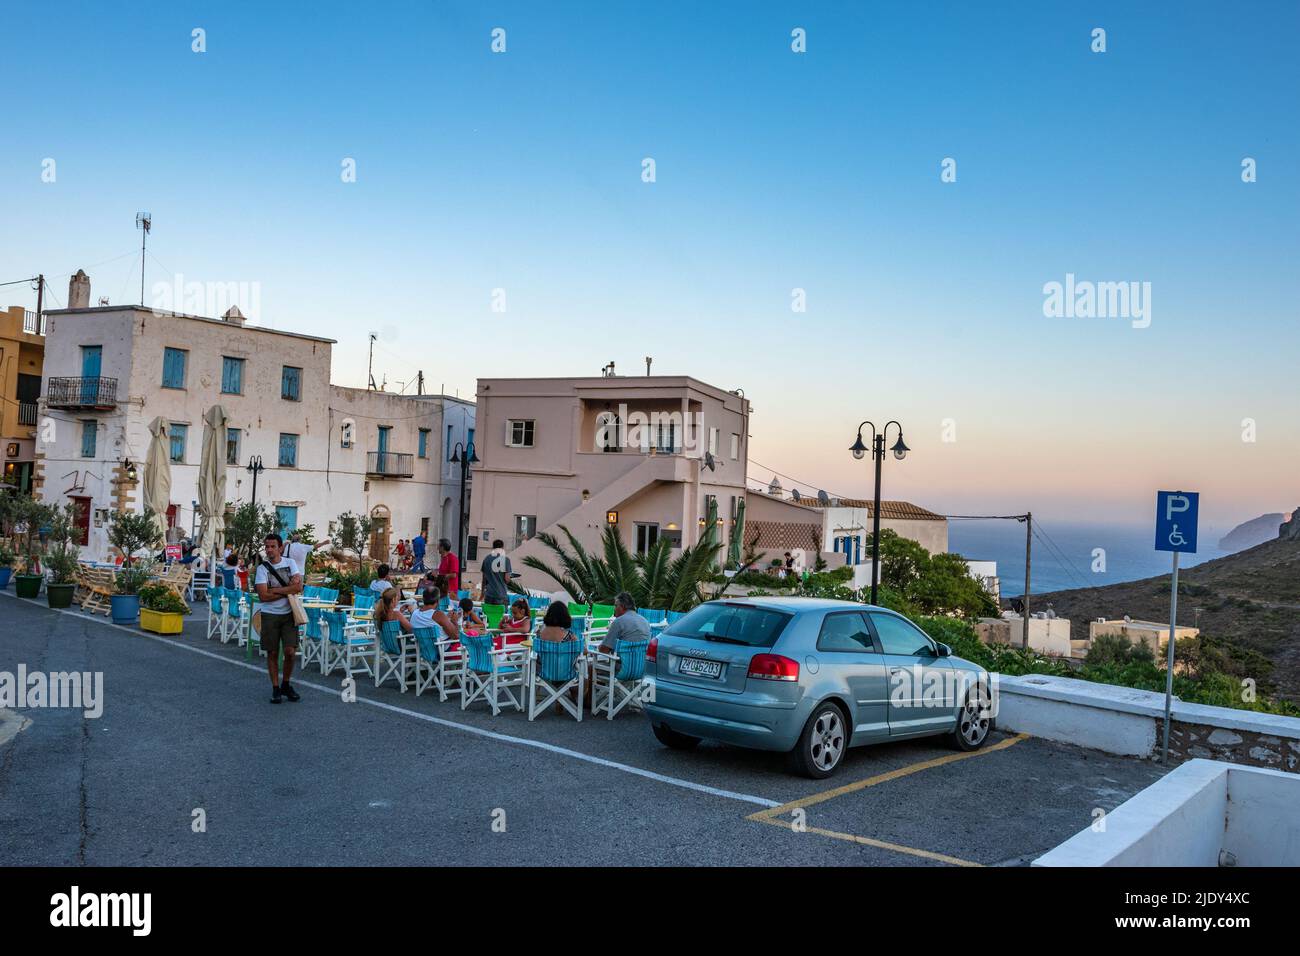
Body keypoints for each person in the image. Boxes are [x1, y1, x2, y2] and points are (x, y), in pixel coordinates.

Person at [254, 533, 304, 704]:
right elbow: (263, 597)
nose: (269, 550)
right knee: (272, 652)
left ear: (280, 548)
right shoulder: (262, 569)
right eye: (267, 547)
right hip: (270, 615)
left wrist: (274, 590)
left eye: (272, 546)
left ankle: (286, 684)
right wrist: (287, 590)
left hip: (289, 614)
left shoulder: (290, 563)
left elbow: (298, 587)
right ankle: (276, 688)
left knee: (290, 652)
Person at [479, 539, 515, 607]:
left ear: (493, 547)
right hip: (501, 594)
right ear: (502, 548)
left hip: (489, 594)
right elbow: (507, 579)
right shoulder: (506, 560)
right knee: (501, 616)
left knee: (489, 616)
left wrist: (482, 594)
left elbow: (484, 579)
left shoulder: (486, 559)